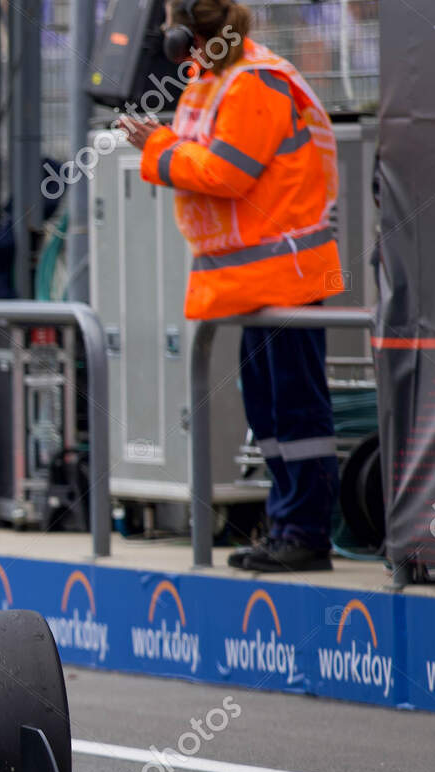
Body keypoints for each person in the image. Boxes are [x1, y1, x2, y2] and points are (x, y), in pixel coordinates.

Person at [120, 0, 341, 572]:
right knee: (268, 414)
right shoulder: (211, 82)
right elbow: (207, 157)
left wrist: (157, 147)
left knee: (295, 411)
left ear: (185, 28)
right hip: (253, 283)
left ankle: (306, 533)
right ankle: (288, 526)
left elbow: (226, 171)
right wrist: (162, 141)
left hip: (284, 277)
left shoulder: (253, 82)